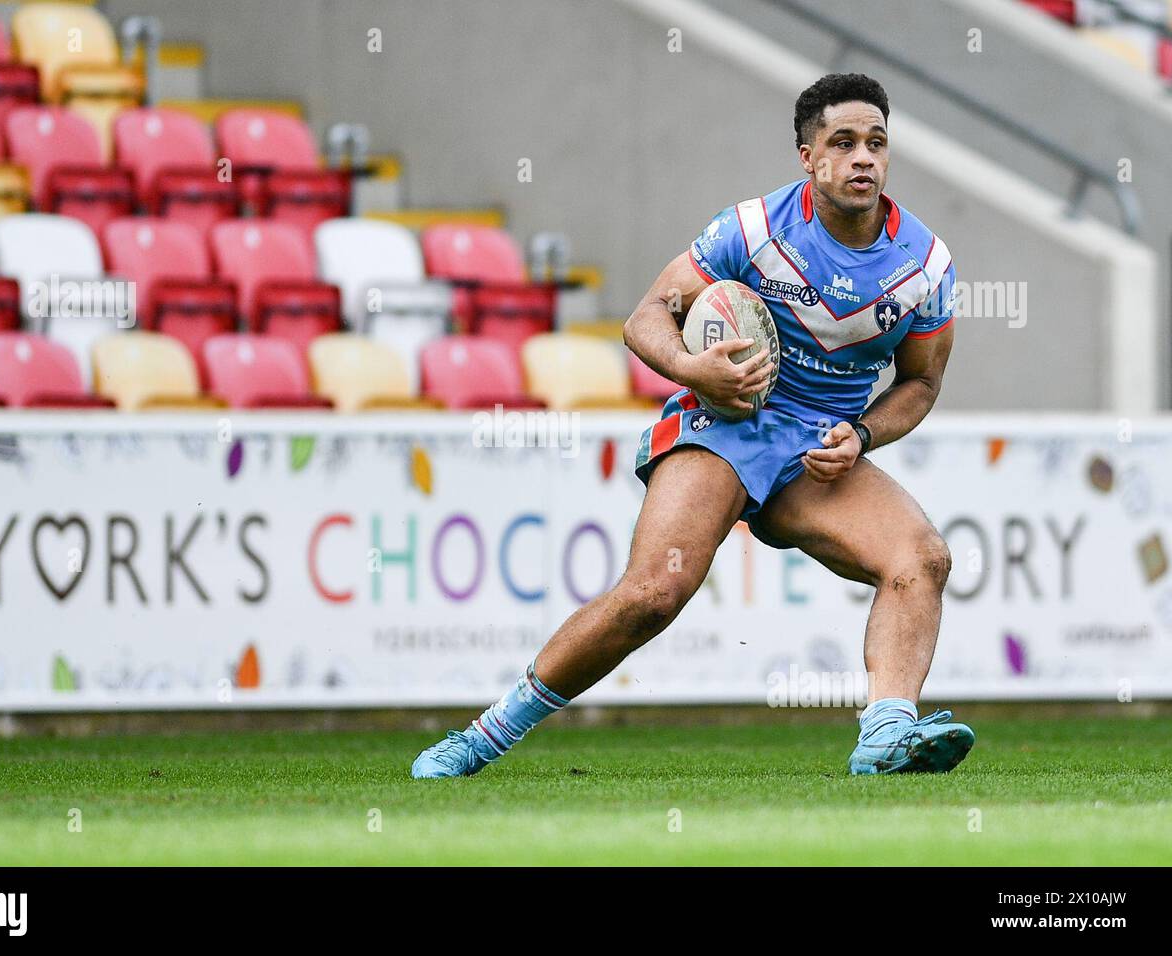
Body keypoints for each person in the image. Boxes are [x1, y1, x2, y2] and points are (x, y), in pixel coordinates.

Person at [412, 73, 973, 778]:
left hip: (818, 451)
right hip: (726, 423)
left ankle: (887, 736)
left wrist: (859, 434)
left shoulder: (924, 265)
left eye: (877, 144)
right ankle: (482, 737)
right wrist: (692, 368)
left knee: (922, 558)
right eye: (844, 143)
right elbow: (645, 316)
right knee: (652, 595)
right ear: (808, 157)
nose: (863, 158)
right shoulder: (752, 230)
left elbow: (921, 382)